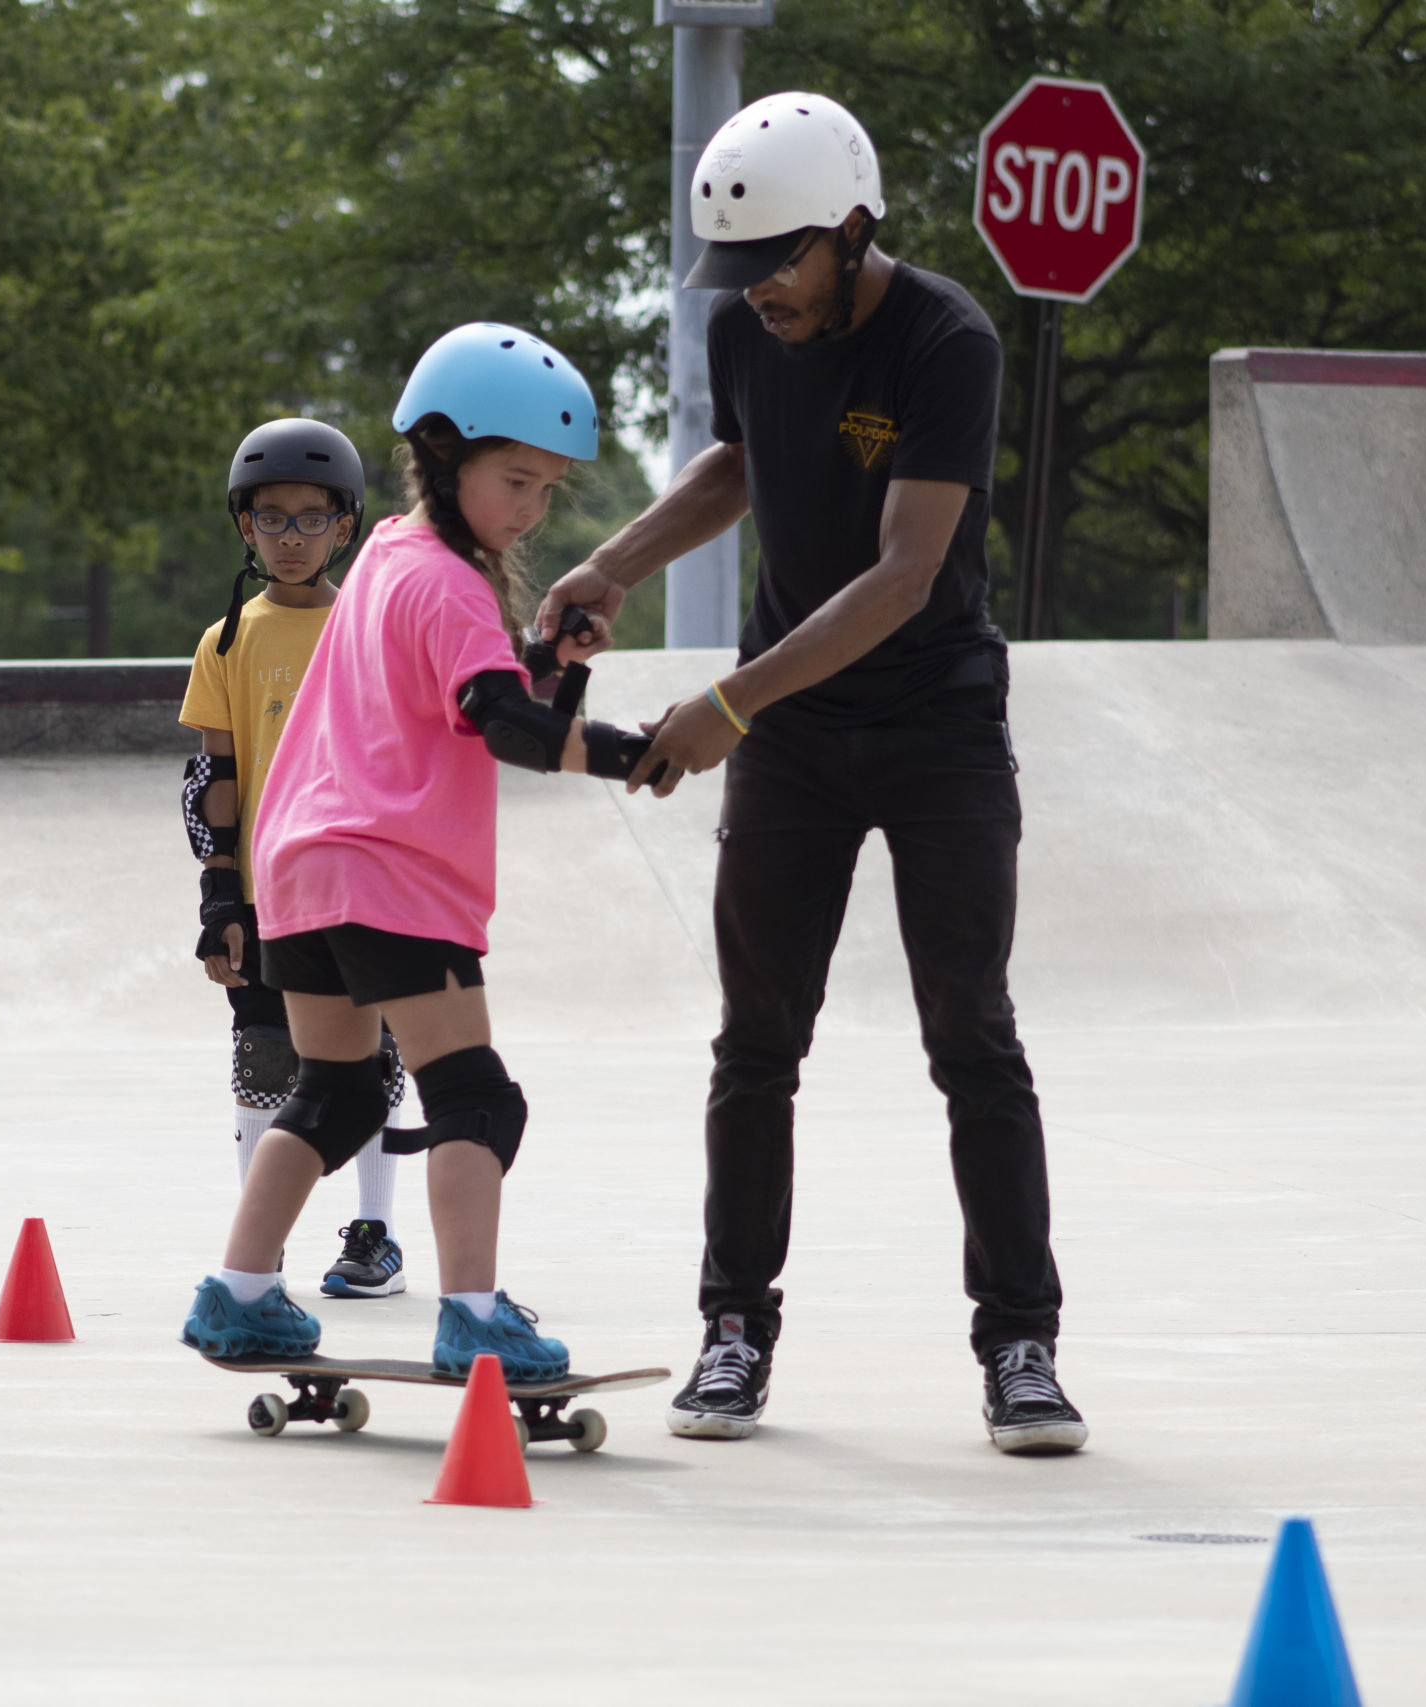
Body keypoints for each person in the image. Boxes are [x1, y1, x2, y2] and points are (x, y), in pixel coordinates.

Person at [539, 93, 1086, 1453]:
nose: (757, 294)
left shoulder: (946, 339)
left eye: (778, 263)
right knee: (756, 1042)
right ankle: (734, 1331)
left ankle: (1019, 1345)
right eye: (736, 272)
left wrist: (731, 701)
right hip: (793, 738)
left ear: (851, 229)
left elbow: (905, 575)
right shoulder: (748, 323)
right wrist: (613, 561)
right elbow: (741, 461)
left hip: (936, 720)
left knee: (972, 1032)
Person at [178, 324, 653, 1379]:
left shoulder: (389, 555)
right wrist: (634, 752)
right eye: (514, 480)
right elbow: (502, 724)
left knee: (336, 1093)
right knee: (475, 1097)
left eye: (548, 490)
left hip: (300, 870)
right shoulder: (449, 581)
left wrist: (555, 663)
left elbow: (476, 690)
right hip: (391, 874)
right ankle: (475, 1316)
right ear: (441, 453)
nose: (530, 509)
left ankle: (239, 1293)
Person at [179, 417, 413, 1297]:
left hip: (362, 885)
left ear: (343, 526)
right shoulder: (227, 640)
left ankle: (376, 1233)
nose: (290, 537)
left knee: (372, 1055)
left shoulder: (372, 627)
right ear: (246, 526)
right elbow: (216, 777)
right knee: (264, 1059)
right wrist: (219, 899)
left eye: (311, 518)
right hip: (266, 889)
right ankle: (260, 1248)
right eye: (271, 518)